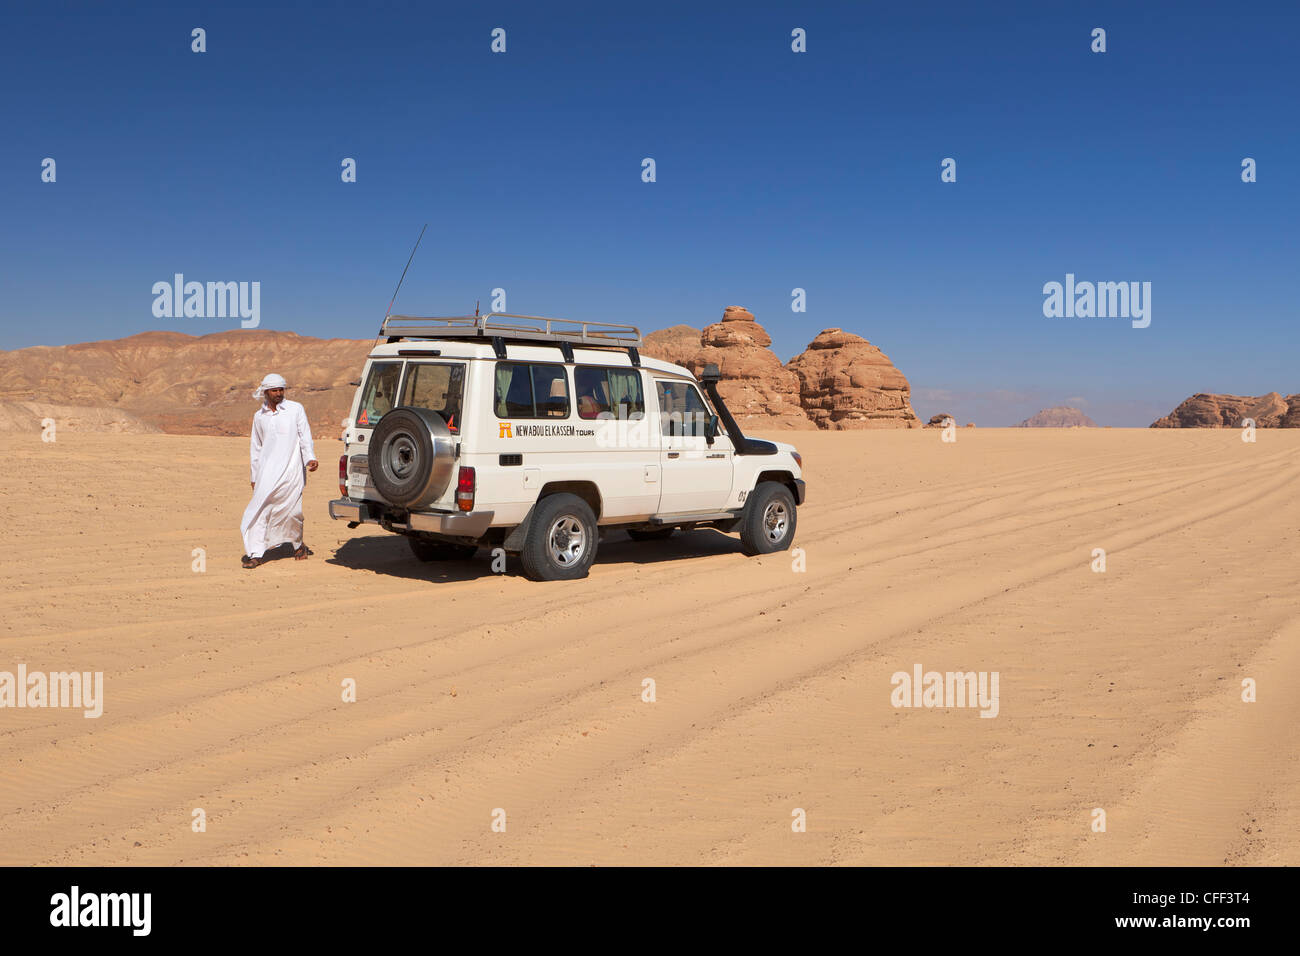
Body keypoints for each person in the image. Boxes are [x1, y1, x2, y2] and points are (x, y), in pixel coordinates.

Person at [240, 373, 318, 569]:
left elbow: (304, 435)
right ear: (266, 392)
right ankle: (256, 553)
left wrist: (310, 458)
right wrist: (254, 476)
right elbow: (256, 448)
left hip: (292, 471)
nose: (279, 393)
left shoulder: (295, 409)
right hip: (267, 473)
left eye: (281, 389)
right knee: (260, 511)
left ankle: (298, 545)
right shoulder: (259, 417)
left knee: (293, 512)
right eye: (274, 390)